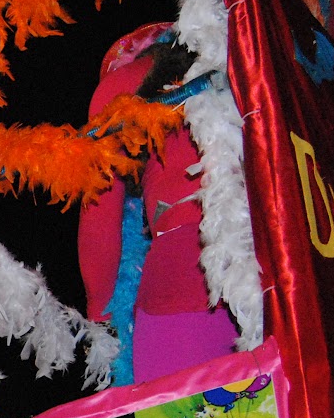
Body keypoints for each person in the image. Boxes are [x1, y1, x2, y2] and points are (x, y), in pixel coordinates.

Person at [77, 23, 240, 383]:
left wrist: (100, 313)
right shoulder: (241, 60)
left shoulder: (123, 84)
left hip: (185, 270)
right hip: (272, 261)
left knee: (188, 416)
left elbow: (99, 211)